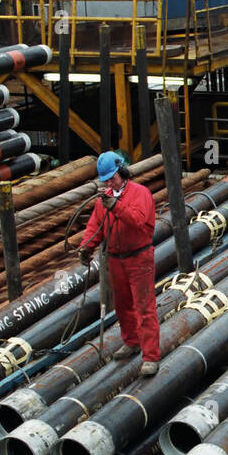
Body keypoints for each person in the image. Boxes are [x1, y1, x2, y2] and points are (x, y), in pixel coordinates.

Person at [77, 151, 160, 376]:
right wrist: (87, 247)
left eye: (112, 178)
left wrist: (115, 205)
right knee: (123, 305)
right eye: (105, 180)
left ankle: (151, 356)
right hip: (115, 259)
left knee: (144, 306)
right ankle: (132, 341)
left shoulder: (140, 193)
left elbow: (138, 220)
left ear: (122, 172)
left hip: (139, 257)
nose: (109, 183)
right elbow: (96, 226)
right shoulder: (103, 200)